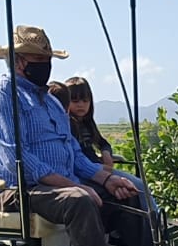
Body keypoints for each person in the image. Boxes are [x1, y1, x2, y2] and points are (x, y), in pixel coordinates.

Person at [0, 25, 163, 246]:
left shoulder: (50, 101)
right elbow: (16, 158)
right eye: (38, 62)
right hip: (13, 189)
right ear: (18, 62)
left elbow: (73, 153)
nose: (45, 67)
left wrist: (106, 178)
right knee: (79, 201)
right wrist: (71, 186)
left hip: (55, 187)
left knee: (128, 193)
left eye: (47, 61)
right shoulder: (0, 97)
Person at [61, 77, 161, 224]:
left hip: (99, 166)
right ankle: (155, 224)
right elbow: (78, 156)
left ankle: (154, 219)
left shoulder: (87, 123)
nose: (81, 105)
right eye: (75, 101)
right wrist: (101, 168)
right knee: (137, 185)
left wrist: (106, 154)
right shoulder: (68, 124)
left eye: (85, 101)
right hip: (88, 170)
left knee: (136, 186)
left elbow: (102, 142)